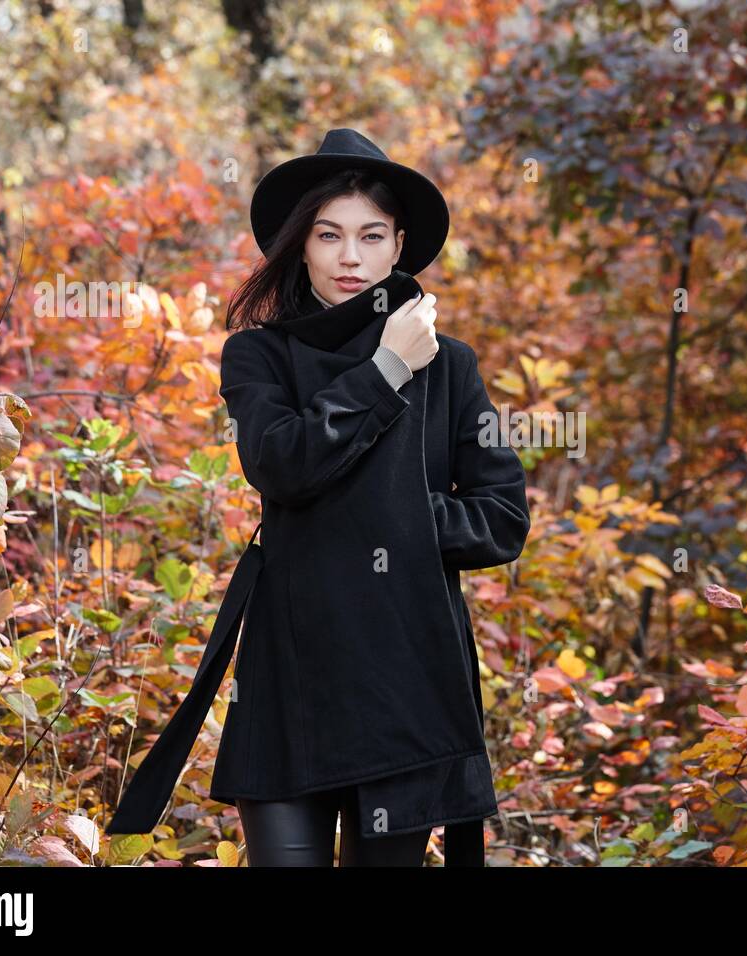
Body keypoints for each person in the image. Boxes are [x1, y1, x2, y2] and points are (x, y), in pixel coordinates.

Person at [211, 129, 530, 866]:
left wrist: (396, 520)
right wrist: (386, 369)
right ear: (302, 245)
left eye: (369, 235)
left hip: (405, 685)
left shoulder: (450, 367)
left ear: (398, 246)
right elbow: (282, 465)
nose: (349, 257)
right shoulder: (258, 355)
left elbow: (503, 519)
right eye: (329, 235)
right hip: (289, 681)